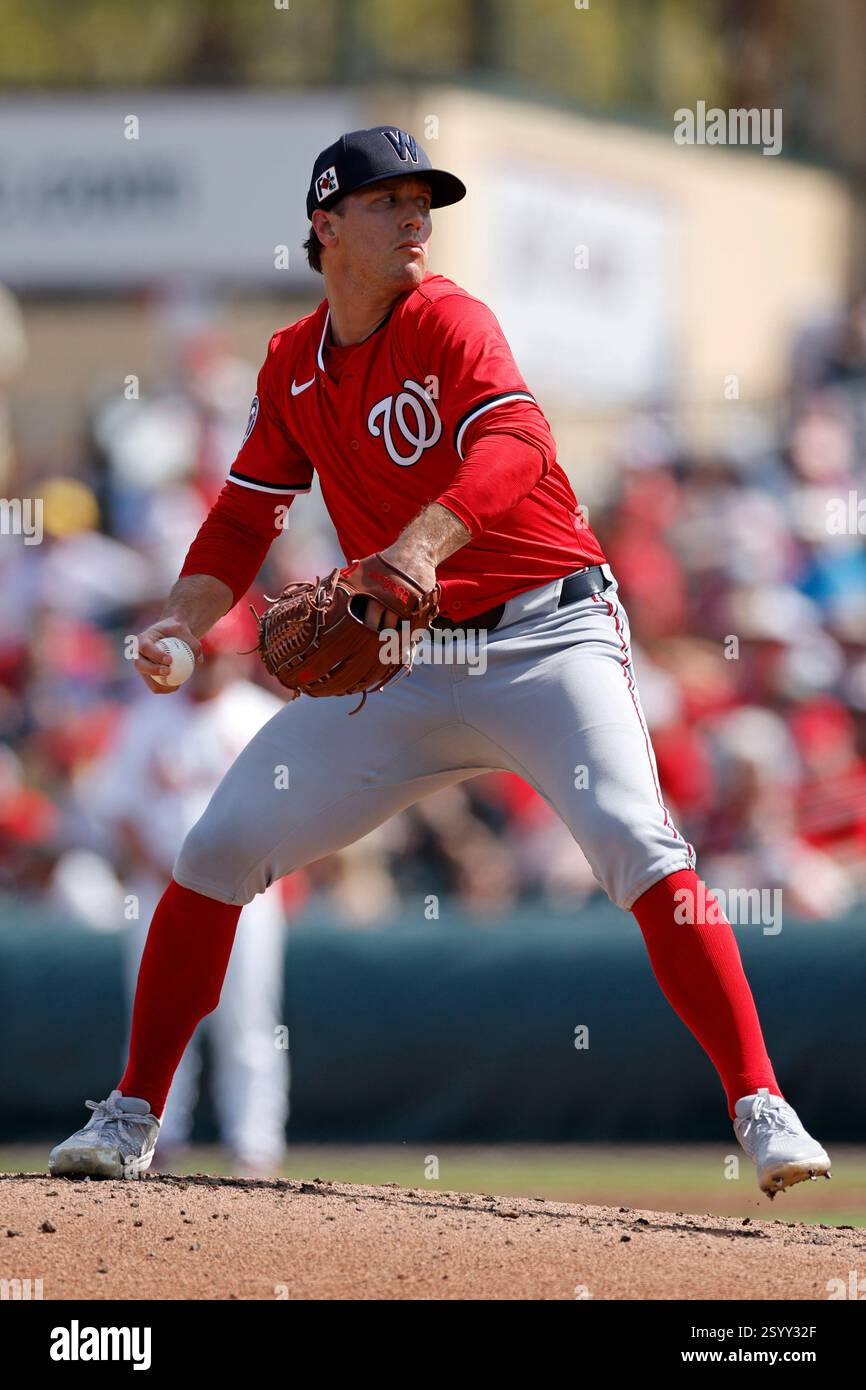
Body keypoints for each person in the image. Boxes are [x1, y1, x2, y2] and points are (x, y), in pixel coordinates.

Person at [49, 126, 831, 1199]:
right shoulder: (289, 364)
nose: (414, 216)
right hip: (404, 658)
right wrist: (182, 622)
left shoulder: (449, 318)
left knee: (636, 845)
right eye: (385, 201)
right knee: (217, 847)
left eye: (423, 199)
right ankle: (132, 1112)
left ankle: (759, 1102)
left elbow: (515, 449)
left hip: (545, 636)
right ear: (324, 228)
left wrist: (415, 545)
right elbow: (240, 519)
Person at [80, 607, 289, 1176]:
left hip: (248, 897)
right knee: (158, 1019)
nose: (209, 668)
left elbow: (293, 810)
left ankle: (254, 1147)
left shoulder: (261, 717)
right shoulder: (146, 718)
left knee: (249, 1022)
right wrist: (162, 868)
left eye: (219, 656)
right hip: (157, 891)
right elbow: (117, 807)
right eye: (204, 656)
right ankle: (155, 1140)